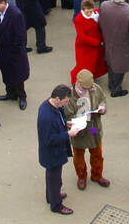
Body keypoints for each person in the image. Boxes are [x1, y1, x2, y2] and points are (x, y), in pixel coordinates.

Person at [67, 69, 109, 191]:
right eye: (85, 87)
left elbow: (103, 100)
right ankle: (82, 177)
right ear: (78, 82)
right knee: (79, 157)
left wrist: (103, 108)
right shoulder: (69, 96)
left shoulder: (95, 88)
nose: (88, 90)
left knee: (97, 152)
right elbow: (67, 116)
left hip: (92, 128)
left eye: (89, 87)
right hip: (79, 131)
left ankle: (97, 175)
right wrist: (76, 121)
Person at [38, 83, 76, 215]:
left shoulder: (50, 106)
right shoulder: (47, 117)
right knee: (55, 179)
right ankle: (56, 205)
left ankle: (51, 196)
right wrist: (68, 134)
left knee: (51, 176)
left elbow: (60, 119)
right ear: (58, 99)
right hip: (52, 153)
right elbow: (49, 140)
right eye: (65, 102)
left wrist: (66, 124)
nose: (65, 104)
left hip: (52, 153)